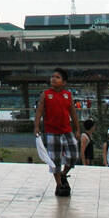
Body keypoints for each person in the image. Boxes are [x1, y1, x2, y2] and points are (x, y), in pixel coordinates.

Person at [34, 66, 81, 196]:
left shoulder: (68, 95)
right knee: (55, 160)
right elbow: (39, 111)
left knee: (73, 155)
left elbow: (73, 112)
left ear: (64, 82)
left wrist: (77, 129)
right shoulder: (46, 94)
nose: (54, 79)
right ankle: (59, 185)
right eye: (52, 77)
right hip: (52, 132)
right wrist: (36, 127)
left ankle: (63, 174)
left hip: (67, 131)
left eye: (57, 77)